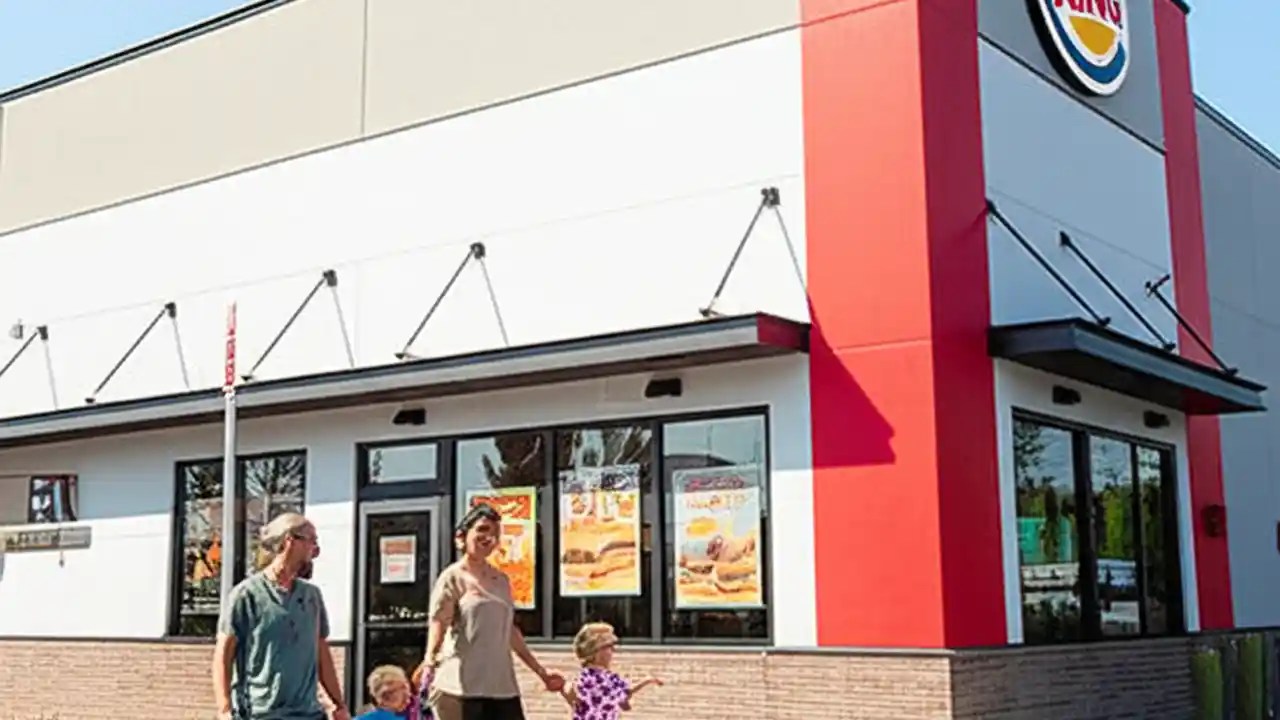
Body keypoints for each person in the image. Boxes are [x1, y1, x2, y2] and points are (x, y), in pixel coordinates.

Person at [422, 503, 565, 720]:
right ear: (462, 537)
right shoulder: (452, 578)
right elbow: (438, 622)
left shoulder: (501, 580)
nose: (489, 537)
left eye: (495, 533)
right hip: (460, 688)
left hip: (502, 687)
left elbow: (510, 630)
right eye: (482, 529)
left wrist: (541, 673)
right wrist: (429, 660)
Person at [213, 512, 350, 720]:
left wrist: (339, 704)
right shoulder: (247, 595)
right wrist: (224, 709)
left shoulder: (311, 596)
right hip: (260, 714)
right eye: (312, 542)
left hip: (308, 714)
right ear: (290, 541)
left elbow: (321, 653)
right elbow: (223, 654)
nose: (316, 552)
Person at [562, 622, 663, 720]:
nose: (613, 650)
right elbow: (625, 696)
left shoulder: (602, 677)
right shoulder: (594, 679)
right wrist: (646, 681)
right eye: (608, 647)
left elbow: (624, 702)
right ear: (595, 651)